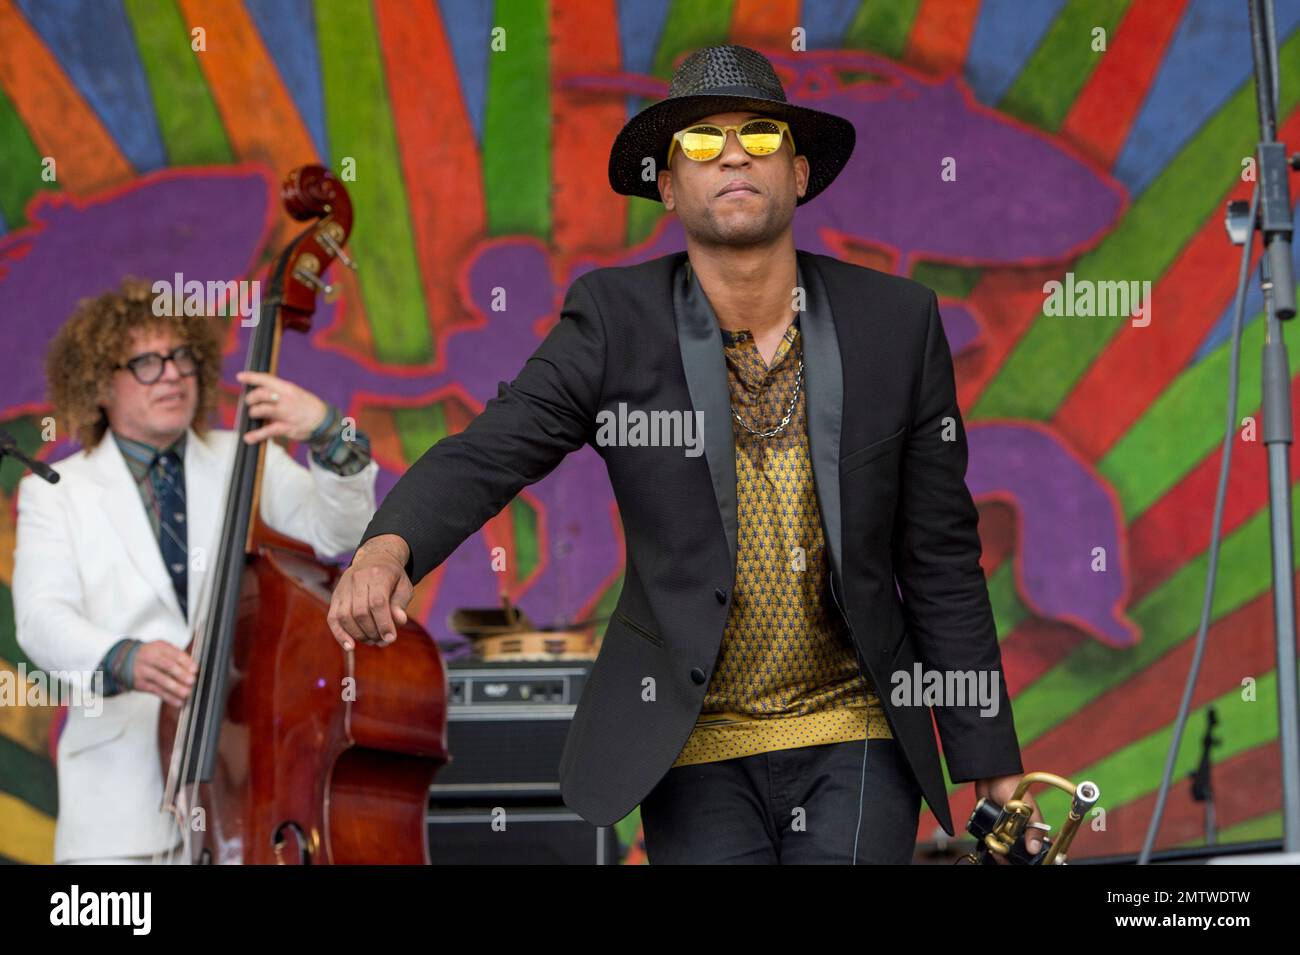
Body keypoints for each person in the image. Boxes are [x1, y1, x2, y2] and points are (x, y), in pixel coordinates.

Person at [329, 44, 1040, 864]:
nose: (732, 153)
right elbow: (494, 448)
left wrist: (989, 757)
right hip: (690, 741)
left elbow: (941, 555)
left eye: (761, 135)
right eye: (700, 142)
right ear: (667, 187)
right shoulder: (615, 320)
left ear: (800, 173)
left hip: (858, 728)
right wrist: (389, 548)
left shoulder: (897, 323)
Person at [12, 277, 378, 864]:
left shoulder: (248, 454)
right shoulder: (56, 493)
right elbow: (40, 620)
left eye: (182, 357)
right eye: (147, 363)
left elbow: (342, 534)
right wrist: (125, 656)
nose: (174, 375)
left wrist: (328, 432)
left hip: (245, 785)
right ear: (100, 383)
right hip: (116, 807)